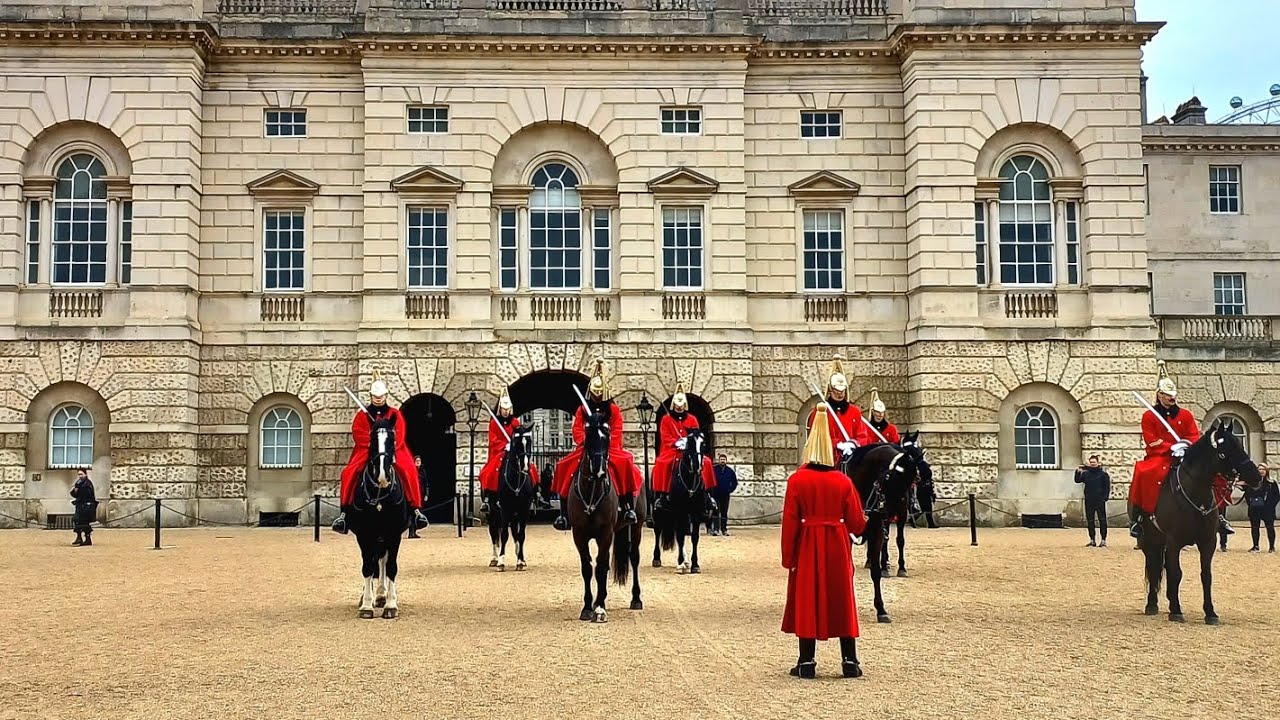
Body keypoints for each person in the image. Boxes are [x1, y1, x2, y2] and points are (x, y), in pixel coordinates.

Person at [782, 405, 868, 679]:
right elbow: (856, 522)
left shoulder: (797, 480)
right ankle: (849, 661)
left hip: (807, 544)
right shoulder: (843, 481)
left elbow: (790, 523)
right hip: (837, 544)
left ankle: (807, 662)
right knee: (842, 597)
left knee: (807, 598)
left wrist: (789, 557)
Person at [1127, 361, 1232, 539]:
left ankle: (1219, 514)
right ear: (1159, 395)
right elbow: (1151, 440)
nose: (1172, 398)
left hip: (1186, 453)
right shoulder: (1149, 416)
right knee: (1144, 472)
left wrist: (1185, 446)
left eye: (1173, 395)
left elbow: (1193, 435)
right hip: (1161, 456)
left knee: (1212, 472)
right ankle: (1138, 516)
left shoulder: (1186, 415)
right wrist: (1170, 447)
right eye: (1168, 395)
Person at [551, 357, 643, 530]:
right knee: (564, 466)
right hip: (588, 447)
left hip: (608, 447)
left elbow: (617, 429)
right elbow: (577, 429)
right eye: (595, 393)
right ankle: (563, 513)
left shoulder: (613, 410)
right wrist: (587, 441)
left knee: (625, 463)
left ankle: (627, 506)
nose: (597, 396)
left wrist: (606, 443)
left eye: (599, 393)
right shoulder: (583, 410)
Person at [332, 376, 430, 534]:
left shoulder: (395, 414)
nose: (378, 399)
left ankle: (415, 509)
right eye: (375, 396)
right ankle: (345, 512)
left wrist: (388, 447)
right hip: (368, 449)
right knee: (349, 473)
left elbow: (400, 432)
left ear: (386, 396)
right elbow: (358, 433)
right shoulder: (361, 415)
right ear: (371, 396)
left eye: (381, 396)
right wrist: (373, 444)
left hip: (393, 448)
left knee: (409, 470)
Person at [650, 384, 717, 518]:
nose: (679, 408)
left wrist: (689, 442)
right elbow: (665, 436)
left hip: (690, 450)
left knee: (707, 462)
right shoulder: (666, 419)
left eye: (681, 405)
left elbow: (696, 434)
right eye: (676, 405)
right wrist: (676, 442)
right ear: (673, 405)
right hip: (672, 450)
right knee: (662, 463)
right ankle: (662, 495)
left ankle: (708, 495)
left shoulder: (692, 419)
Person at [477, 391, 539, 517]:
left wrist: (515, 444)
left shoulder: (515, 422)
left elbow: (520, 434)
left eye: (507, 409)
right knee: (490, 471)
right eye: (503, 409)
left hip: (515, 450)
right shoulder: (494, 423)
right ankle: (489, 497)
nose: (505, 412)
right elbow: (492, 439)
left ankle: (535, 492)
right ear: (500, 409)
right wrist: (504, 446)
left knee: (531, 468)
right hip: (500, 451)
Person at [806, 355, 871, 461]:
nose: (840, 394)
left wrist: (853, 443)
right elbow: (816, 437)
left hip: (851, 457)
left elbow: (863, 436)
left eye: (842, 391)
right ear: (831, 390)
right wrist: (837, 444)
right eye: (837, 390)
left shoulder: (854, 411)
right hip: (827, 458)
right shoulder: (821, 410)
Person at [1075, 455, 1111, 547]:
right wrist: (1077, 472)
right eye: (1091, 463)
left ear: (1098, 463)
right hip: (1089, 499)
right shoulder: (1086, 474)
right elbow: (1077, 481)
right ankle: (1092, 539)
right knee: (1090, 521)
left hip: (1099, 500)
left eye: (1094, 462)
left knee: (1102, 520)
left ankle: (1103, 540)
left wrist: (1105, 498)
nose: (1092, 464)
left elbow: (1107, 487)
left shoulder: (1103, 475)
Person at [1244, 463, 1278, 553]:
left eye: (1263, 469)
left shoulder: (1272, 483)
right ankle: (1255, 545)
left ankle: (1271, 546)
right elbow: (1247, 494)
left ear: (1266, 471)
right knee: (1255, 528)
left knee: (1270, 528)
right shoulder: (1253, 483)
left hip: (1267, 510)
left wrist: (1270, 505)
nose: (1261, 471)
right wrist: (1251, 503)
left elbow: (1276, 496)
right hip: (1254, 509)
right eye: (1260, 469)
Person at [710, 454, 738, 536]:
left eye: (724, 459)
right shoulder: (714, 470)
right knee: (715, 512)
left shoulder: (730, 471)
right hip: (715, 494)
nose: (722, 461)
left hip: (725, 495)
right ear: (719, 460)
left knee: (724, 513)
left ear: (726, 461)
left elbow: (734, 483)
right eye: (721, 459)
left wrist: (729, 490)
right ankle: (715, 529)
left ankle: (724, 529)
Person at [70, 468, 97, 547]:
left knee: (83, 521)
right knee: (78, 521)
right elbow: (74, 493)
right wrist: (75, 490)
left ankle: (86, 539)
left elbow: (87, 494)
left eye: (81, 474)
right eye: (79, 474)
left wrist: (79, 495)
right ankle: (80, 538)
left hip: (87, 506)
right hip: (81, 505)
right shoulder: (79, 483)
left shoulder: (87, 483)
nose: (80, 476)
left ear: (85, 474)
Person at [407, 455, 426, 539]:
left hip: (420, 494)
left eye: (419, 460)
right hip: (413, 495)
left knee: (418, 514)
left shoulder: (423, 471)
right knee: (412, 514)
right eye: (416, 460)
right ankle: (411, 532)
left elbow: (426, 484)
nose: (418, 462)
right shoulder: (411, 470)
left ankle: (414, 532)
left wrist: (426, 494)